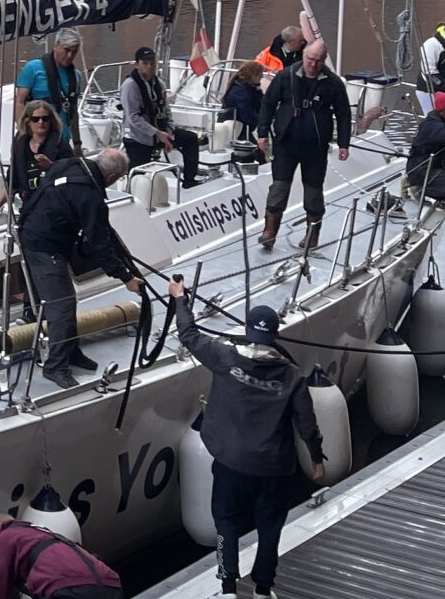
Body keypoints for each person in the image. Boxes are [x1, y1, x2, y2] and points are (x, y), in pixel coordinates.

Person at [174, 288, 326, 599]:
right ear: (274, 335)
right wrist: (316, 459)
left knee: (226, 522)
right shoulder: (292, 376)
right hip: (274, 469)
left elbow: (188, 334)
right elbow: (307, 424)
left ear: (246, 331)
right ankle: (262, 593)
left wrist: (179, 298)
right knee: (270, 528)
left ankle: (228, 589)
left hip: (231, 463)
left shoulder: (225, 358)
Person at [16, 148, 159, 384]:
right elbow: (99, 244)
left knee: (67, 300)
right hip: (43, 246)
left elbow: (51, 174)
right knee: (61, 306)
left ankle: (71, 351)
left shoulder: (69, 164)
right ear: (113, 178)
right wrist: (127, 278)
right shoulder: (90, 196)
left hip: (34, 231)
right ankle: (55, 366)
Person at [258, 37, 352, 258]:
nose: (313, 64)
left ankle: (312, 235)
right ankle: (270, 231)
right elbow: (268, 104)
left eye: (319, 60)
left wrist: (343, 144)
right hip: (285, 142)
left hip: (315, 146)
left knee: (313, 192)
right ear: (303, 55)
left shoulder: (333, 82)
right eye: (310, 59)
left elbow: (343, 114)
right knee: (279, 188)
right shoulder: (286, 75)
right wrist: (262, 133)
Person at [119, 45, 204, 182]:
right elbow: (133, 117)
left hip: (160, 131)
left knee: (190, 138)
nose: (149, 67)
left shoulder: (159, 84)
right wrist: (157, 133)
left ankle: (189, 180)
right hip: (137, 137)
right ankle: (136, 191)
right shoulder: (130, 86)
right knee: (138, 175)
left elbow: (166, 109)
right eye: (145, 63)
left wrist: (169, 132)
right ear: (137, 64)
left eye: (152, 63)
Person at [0, 100, 74, 223]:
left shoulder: (61, 146)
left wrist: (51, 166)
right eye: (36, 119)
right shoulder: (20, 146)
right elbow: (11, 182)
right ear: (28, 121)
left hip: (56, 210)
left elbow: (73, 175)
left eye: (45, 118)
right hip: (29, 208)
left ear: (51, 120)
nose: (41, 122)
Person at [15, 32, 85, 145]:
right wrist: (23, 133)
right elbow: (19, 102)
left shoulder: (76, 76)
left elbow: (73, 111)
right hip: (35, 139)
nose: (69, 56)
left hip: (62, 141)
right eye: (66, 50)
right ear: (56, 46)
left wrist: (77, 143)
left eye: (74, 52)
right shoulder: (33, 68)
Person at [222, 58, 271, 142]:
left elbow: (260, 104)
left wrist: (258, 89)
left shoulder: (248, 88)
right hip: (237, 128)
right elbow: (248, 115)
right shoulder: (241, 92)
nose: (262, 77)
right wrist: (263, 121)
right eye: (260, 75)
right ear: (253, 75)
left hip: (241, 127)